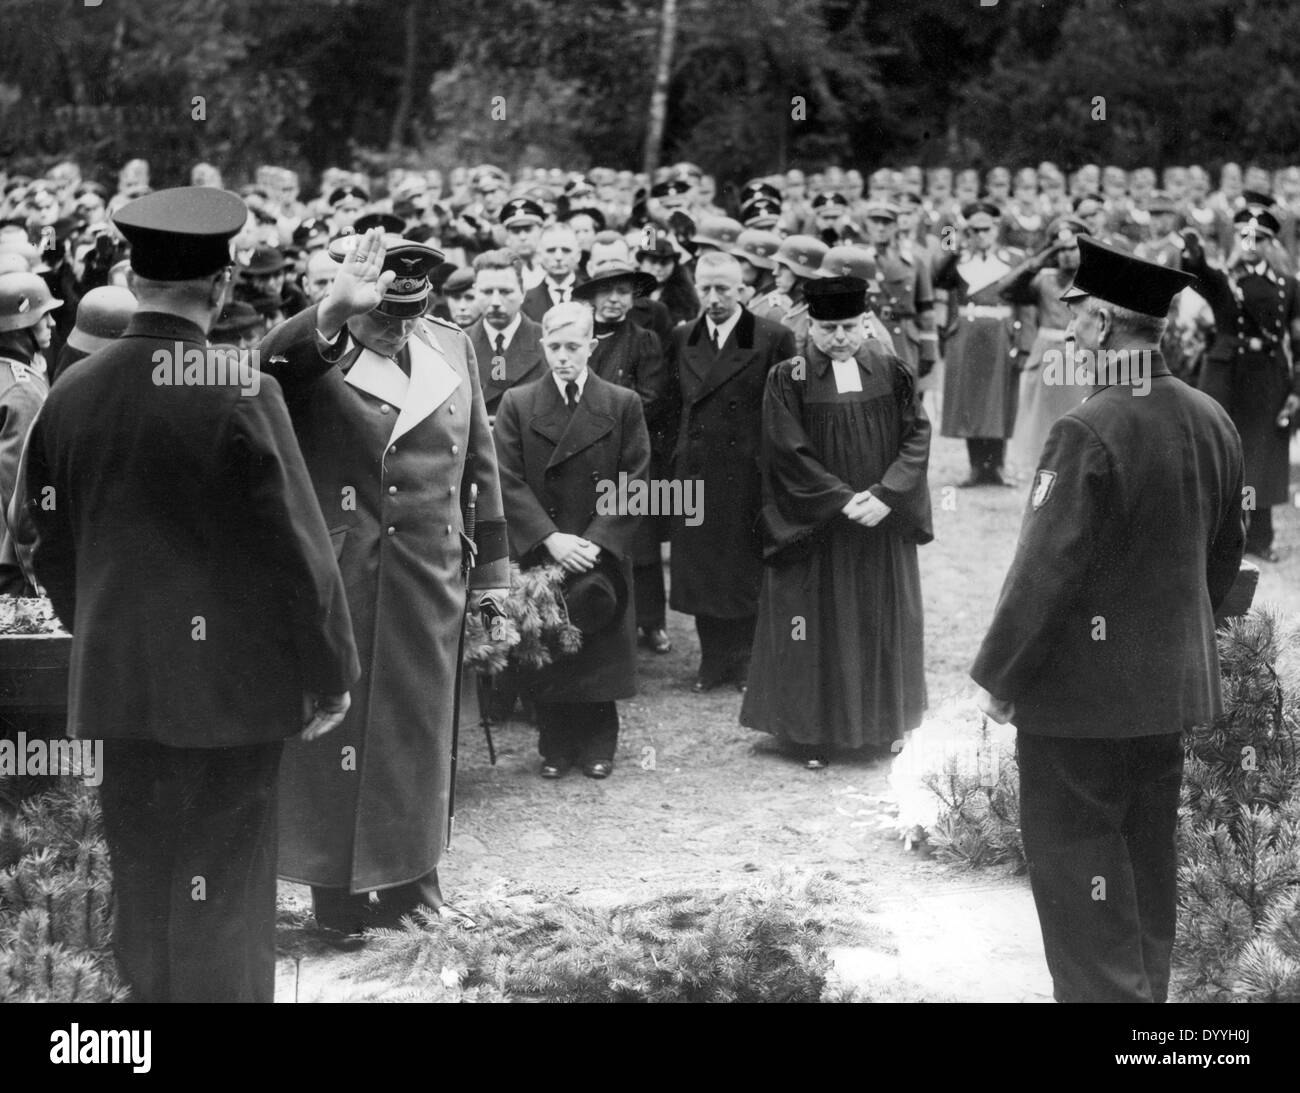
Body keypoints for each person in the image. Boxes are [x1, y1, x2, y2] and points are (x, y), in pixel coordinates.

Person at [23, 186, 359, 1001]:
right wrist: (330, 672)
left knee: (144, 881)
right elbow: (299, 553)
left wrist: (100, 630)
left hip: (120, 690)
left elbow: (42, 543)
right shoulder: (242, 390)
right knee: (226, 893)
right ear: (221, 286)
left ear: (134, 279)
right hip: (232, 697)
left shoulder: (68, 394)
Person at [972, 238, 1246, 1004]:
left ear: (1099, 325)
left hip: (1079, 707)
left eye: (1074, 321)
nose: (1069, 335)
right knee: (1145, 871)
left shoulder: (1087, 429)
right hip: (1168, 695)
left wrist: (1000, 678)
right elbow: (1225, 556)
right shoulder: (1213, 417)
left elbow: (1043, 574)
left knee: (1083, 883)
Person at [259, 228, 509, 938]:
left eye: (408, 314)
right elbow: (264, 367)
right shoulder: (317, 349)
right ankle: (336, 898)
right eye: (381, 317)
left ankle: (410, 888)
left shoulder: (451, 345)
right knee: (340, 735)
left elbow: (479, 463)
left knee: (419, 734)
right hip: (347, 576)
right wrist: (333, 314)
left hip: (430, 576)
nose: (396, 330)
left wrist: (491, 573)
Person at [742, 276, 931, 768]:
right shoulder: (789, 376)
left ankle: (877, 728)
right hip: (820, 526)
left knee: (874, 619)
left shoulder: (892, 371)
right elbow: (786, 449)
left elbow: (916, 438)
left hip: (879, 526)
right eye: (828, 328)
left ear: (865, 322)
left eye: (849, 327)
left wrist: (888, 495)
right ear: (811, 325)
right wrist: (840, 500)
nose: (840, 338)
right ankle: (811, 734)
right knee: (814, 623)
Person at [493, 302, 651, 778]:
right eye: (554, 347)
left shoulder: (622, 403)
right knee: (550, 648)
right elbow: (507, 479)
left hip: (599, 550)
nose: (563, 357)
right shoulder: (519, 404)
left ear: (592, 347)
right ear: (542, 347)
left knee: (599, 646)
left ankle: (600, 744)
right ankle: (555, 745)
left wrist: (599, 539)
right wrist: (548, 537)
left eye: (573, 347)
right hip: (547, 552)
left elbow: (637, 478)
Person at [666, 251, 797, 692]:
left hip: (748, 473)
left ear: (743, 290)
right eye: (705, 288)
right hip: (696, 472)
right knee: (702, 567)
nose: (714, 298)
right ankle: (712, 659)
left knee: (744, 566)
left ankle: (744, 660)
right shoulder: (683, 336)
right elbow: (671, 408)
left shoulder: (772, 336)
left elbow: (785, 412)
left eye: (724, 288)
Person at [1182, 211, 1300, 562]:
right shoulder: (1223, 280)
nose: (1250, 245)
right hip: (1226, 375)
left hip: (1267, 375)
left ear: (1270, 243)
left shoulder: (1288, 285)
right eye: (1243, 237)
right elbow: (1199, 274)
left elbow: (1297, 342)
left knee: (1262, 454)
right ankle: (1217, 539)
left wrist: (1296, 391)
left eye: (1258, 238)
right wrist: (1195, 254)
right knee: (1220, 451)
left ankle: (1259, 539)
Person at [572, 250, 672, 654]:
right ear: (592, 298)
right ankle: (604, 617)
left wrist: (608, 422)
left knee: (641, 543)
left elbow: (650, 396)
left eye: (623, 292)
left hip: (629, 452)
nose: (614, 299)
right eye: (606, 292)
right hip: (584, 452)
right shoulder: (579, 336)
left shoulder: (644, 340)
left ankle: (652, 622)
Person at [932, 201, 1023, 486]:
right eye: (975, 230)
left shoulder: (1013, 259)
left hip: (999, 332)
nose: (981, 235)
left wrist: (1023, 340)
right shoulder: (959, 260)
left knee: (998, 398)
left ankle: (996, 466)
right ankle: (975, 466)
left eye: (986, 230)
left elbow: (1026, 301)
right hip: (967, 333)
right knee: (971, 400)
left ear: (996, 230)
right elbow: (939, 279)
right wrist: (955, 243)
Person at [1000, 218, 1091, 476]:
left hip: (1082, 356)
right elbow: (1005, 290)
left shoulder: (1094, 282)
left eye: (1072, 248)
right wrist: (1038, 261)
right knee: (1042, 421)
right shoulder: (1044, 279)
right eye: (1060, 250)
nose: (1066, 255)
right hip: (1048, 355)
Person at [466, 249, 545, 418]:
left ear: (523, 292)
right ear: (475, 292)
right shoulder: (458, 344)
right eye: (487, 292)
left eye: (505, 292)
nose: (495, 302)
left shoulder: (547, 342)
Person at [522, 222, 583, 321]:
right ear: (539, 255)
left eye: (566, 250)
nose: (558, 257)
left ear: (578, 255)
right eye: (551, 250)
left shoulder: (591, 296)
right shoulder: (527, 299)